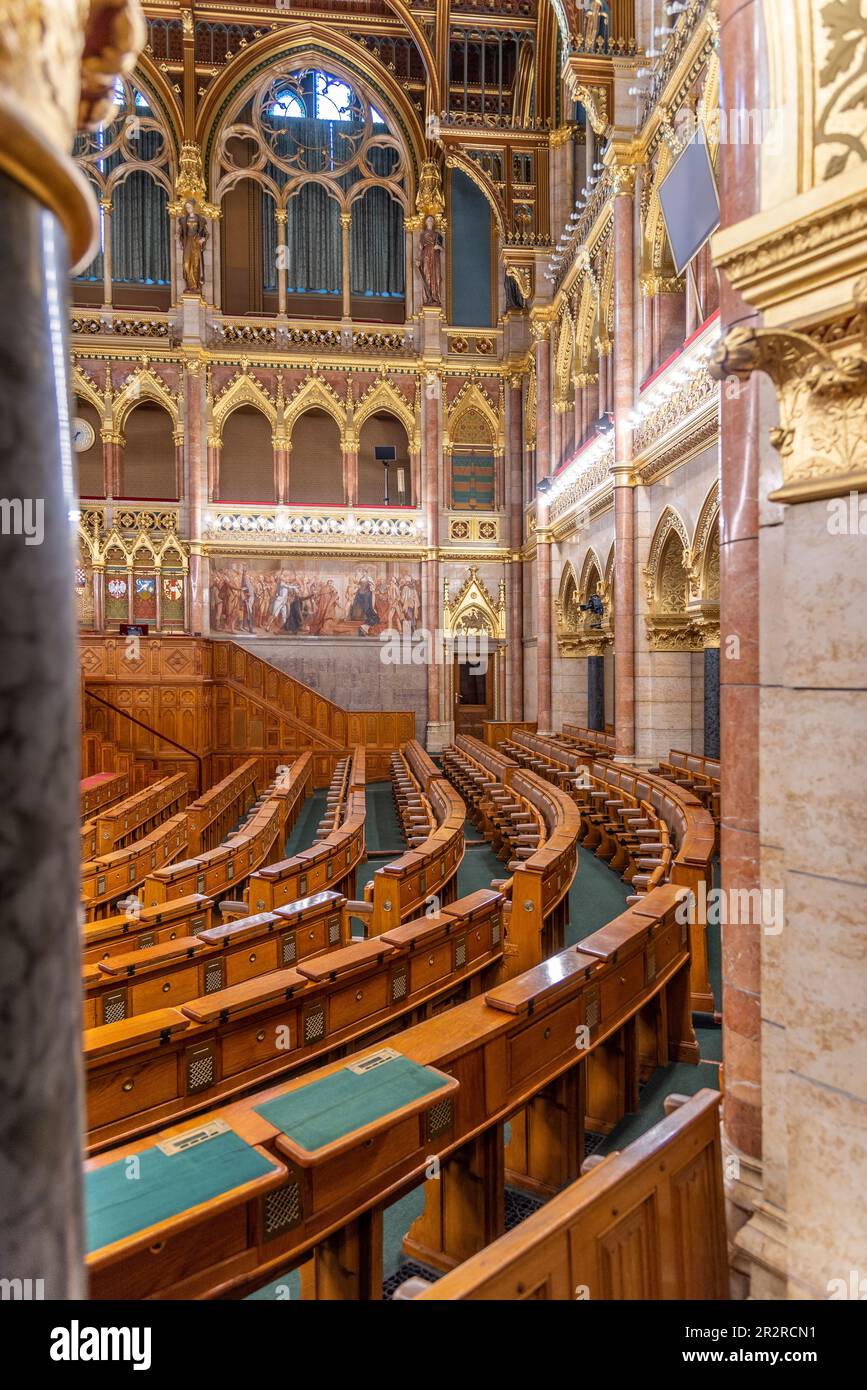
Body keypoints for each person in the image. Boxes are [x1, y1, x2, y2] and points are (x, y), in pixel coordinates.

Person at [418, 214, 443, 306]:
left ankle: (435, 297)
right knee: (427, 276)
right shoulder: (422, 234)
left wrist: (439, 247)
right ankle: (428, 298)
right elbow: (420, 248)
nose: (430, 222)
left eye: (432, 220)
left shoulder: (437, 235)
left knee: (436, 276)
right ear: (425, 222)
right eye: (428, 220)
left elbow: (442, 248)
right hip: (426, 257)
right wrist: (419, 261)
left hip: (435, 257)